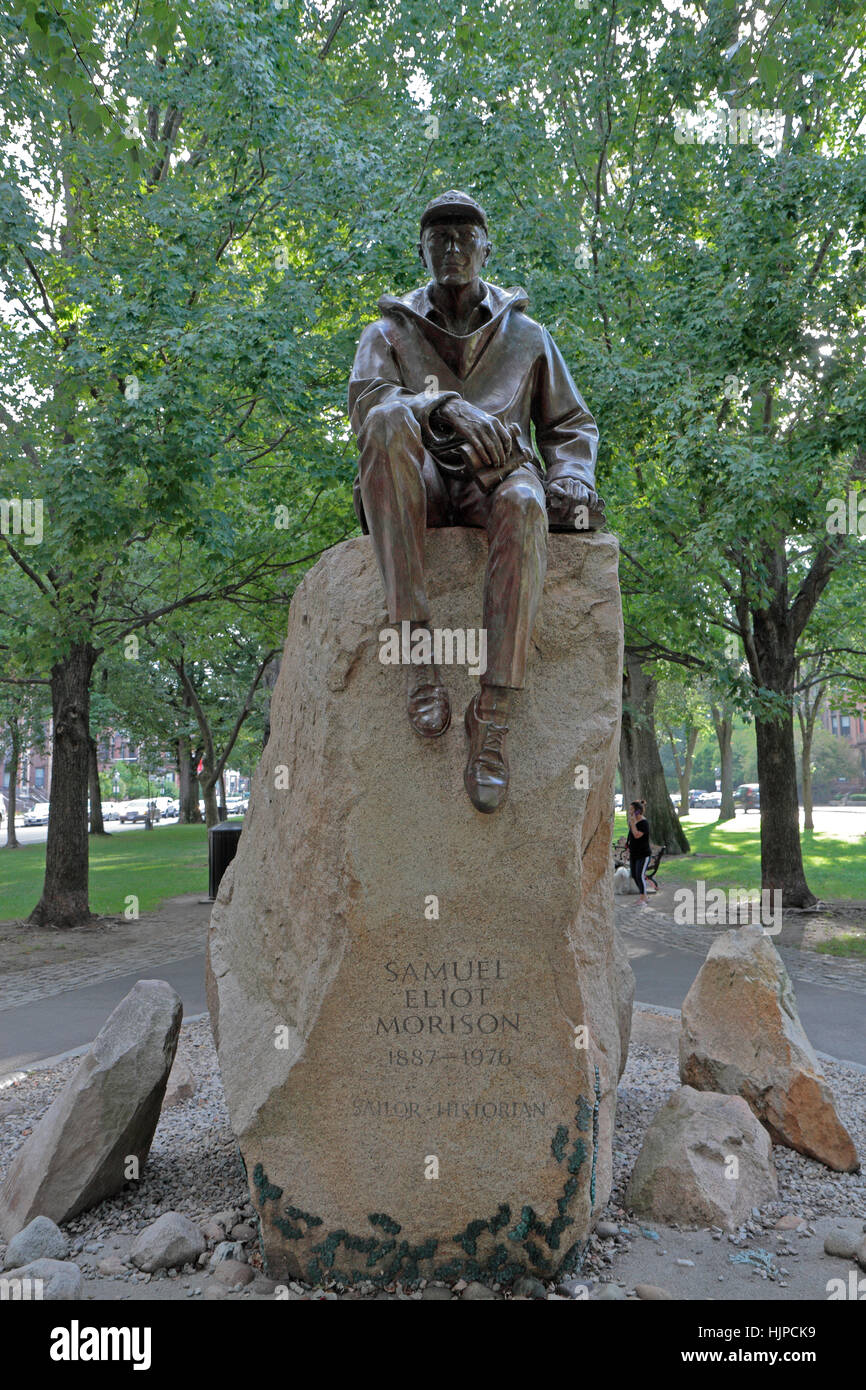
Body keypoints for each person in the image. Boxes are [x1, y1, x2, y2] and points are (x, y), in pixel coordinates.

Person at [348, 190, 601, 813]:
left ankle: (493, 714)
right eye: (439, 237)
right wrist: (439, 405)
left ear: (487, 248)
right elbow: (366, 407)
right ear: (422, 250)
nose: (453, 247)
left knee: (528, 503)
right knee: (385, 423)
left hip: (496, 479)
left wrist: (570, 476)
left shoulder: (529, 336)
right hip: (421, 482)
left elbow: (570, 426)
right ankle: (416, 651)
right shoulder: (387, 332)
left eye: (465, 236)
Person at [626, 799, 652, 904]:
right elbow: (631, 835)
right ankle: (643, 895)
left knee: (640, 875)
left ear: (637, 811)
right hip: (634, 853)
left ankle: (643, 897)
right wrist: (628, 844)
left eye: (631, 809)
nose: (629, 811)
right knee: (634, 875)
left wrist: (632, 823)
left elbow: (637, 835)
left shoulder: (644, 823)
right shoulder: (633, 821)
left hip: (643, 854)